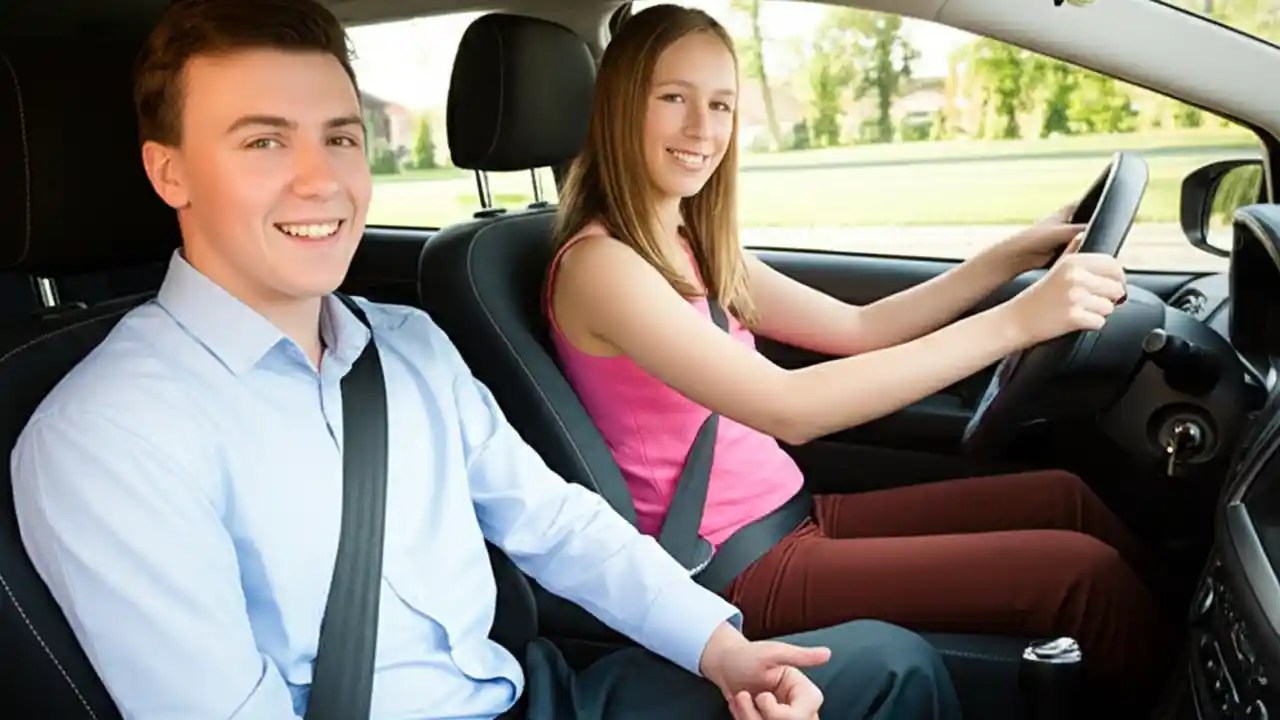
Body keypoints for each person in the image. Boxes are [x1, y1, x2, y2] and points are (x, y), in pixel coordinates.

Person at [9, 1, 965, 719]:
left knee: (888, 668)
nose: (321, 180)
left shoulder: (408, 345)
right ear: (168, 171)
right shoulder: (105, 436)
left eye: (341, 138)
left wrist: (720, 648)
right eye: (264, 140)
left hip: (532, 695)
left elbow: (557, 524)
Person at [545, 1, 1171, 705]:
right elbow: (792, 408)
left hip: (790, 513)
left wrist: (1008, 260)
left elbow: (858, 328)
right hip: (734, 564)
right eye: (673, 99)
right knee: (1078, 574)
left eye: (721, 104)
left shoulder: (688, 242)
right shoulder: (601, 267)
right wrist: (1017, 323)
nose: (702, 128)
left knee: (1066, 499)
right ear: (621, 107)